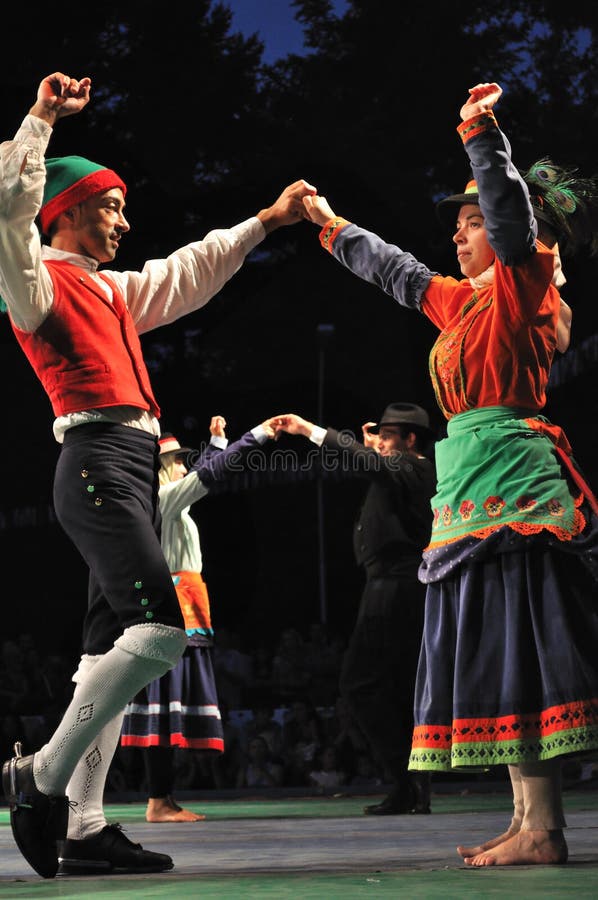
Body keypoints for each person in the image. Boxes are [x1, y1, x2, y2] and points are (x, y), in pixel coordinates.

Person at [0, 71, 315, 879]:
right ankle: (40, 775)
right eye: (112, 208)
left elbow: (189, 269)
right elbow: (8, 202)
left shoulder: (110, 289)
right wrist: (40, 119)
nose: (125, 221)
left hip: (132, 465)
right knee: (162, 630)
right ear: (66, 211)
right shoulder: (33, 279)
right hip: (98, 461)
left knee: (107, 650)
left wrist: (265, 222)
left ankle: (84, 825)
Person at [299, 82, 598, 866]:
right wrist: (329, 227)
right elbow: (395, 271)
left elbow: (507, 210)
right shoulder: (460, 305)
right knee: (497, 651)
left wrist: (479, 133)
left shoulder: (523, 283)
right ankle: (528, 820)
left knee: (516, 646)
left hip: (511, 483)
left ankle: (546, 827)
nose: (463, 237)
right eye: (459, 227)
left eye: (472, 226)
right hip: (467, 493)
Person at [119, 414, 281, 824]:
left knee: (169, 707)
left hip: (186, 609)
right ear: (158, 469)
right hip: (174, 610)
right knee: (162, 706)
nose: (183, 468)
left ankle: (164, 798)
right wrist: (256, 436)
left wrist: (217, 442)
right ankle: (158, 800)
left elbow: (203, 476)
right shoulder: (161, 500)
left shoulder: (173, 501)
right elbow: (209, 477)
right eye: (175, 462)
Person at [277, 403, 436, 815]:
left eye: (387, 437)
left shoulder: (416, 469)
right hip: (388, 586)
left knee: (360, 684)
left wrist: (307, 427)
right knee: (394, 689)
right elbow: (372, 465)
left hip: (397, 587)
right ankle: (411, 786)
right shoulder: (395, 470)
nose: (379, 443)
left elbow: (372, 463)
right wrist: (376, 449)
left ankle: (408, 782)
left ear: (410, 440)